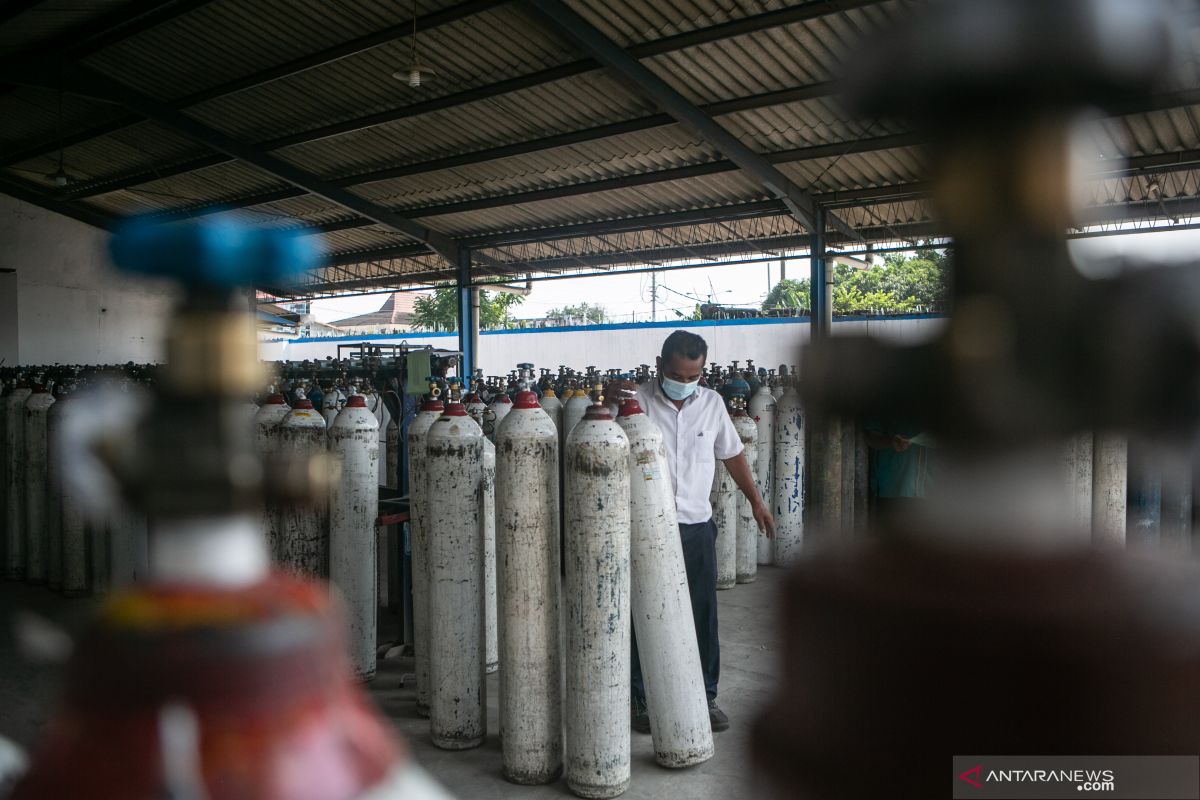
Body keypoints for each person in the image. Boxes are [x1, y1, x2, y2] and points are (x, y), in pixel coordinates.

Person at [611, 330, 774, 734]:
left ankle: (706, 694)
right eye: (677, 374)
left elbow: (732, 454)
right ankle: (642, 699)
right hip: (645, 529)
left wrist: (756, 500)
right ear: (660, 365)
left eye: (694, 375)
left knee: (702, 614)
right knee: (642, 614)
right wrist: (606, 405)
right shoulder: (635, 405)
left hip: (696, 528)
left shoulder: (712, 404)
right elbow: (602, 448)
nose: (685, 383)